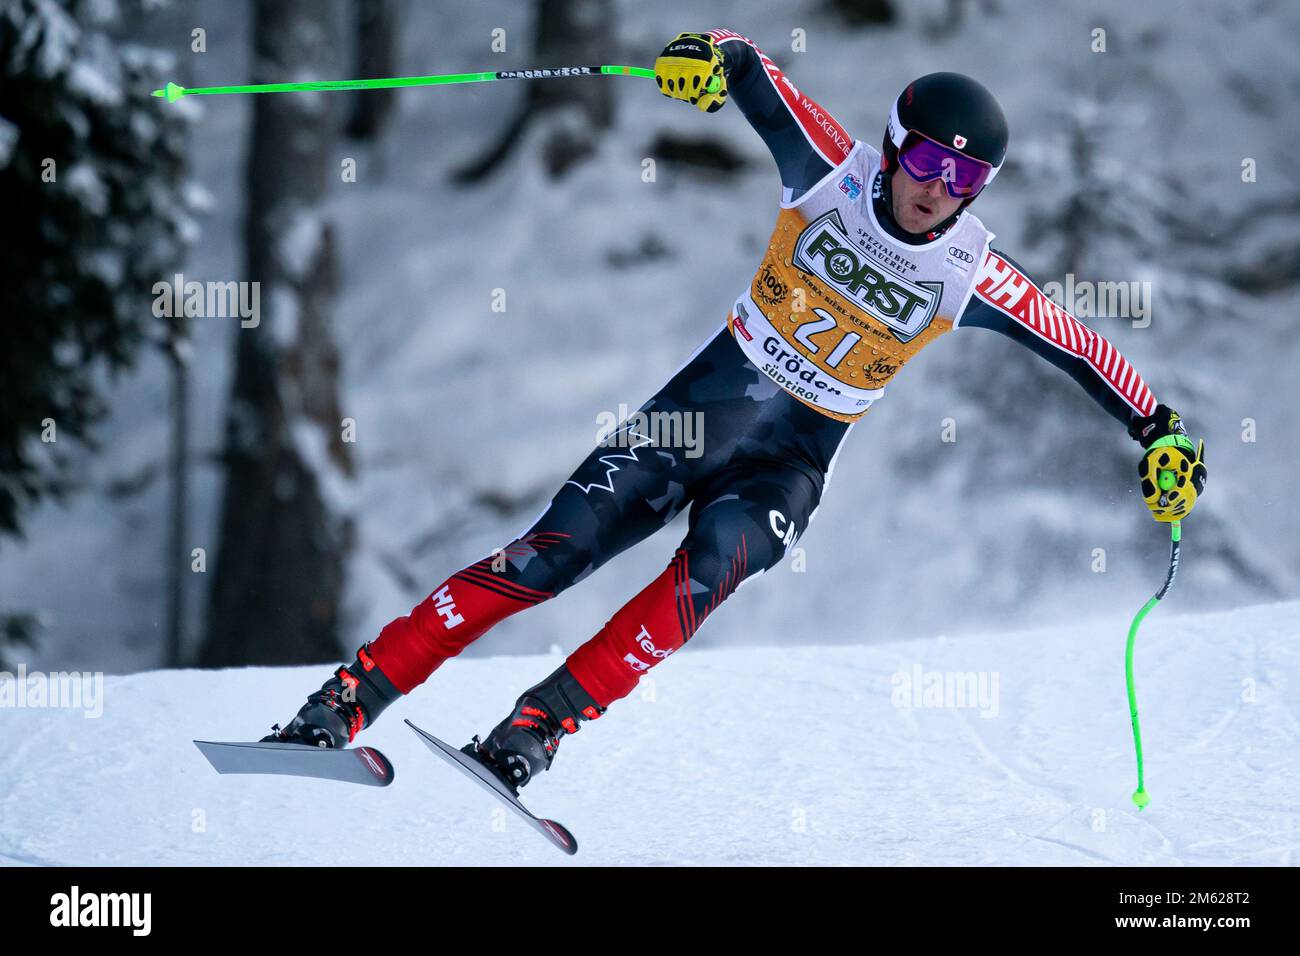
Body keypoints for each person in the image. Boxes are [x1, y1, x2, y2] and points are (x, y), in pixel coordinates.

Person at [262, 30, 1208, 794]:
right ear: (891, 145)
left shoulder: (970, 273)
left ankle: (534, 730)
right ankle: (345, 700)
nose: (935, 190)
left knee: (707, 571)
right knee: (548, 556)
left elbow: (1081, 345)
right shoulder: (828, 171)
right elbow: (750, 66)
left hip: (788, 464)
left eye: (963, 182)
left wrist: (1158, 428)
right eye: (925, 160)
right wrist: (705, 57)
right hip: (696, 415)